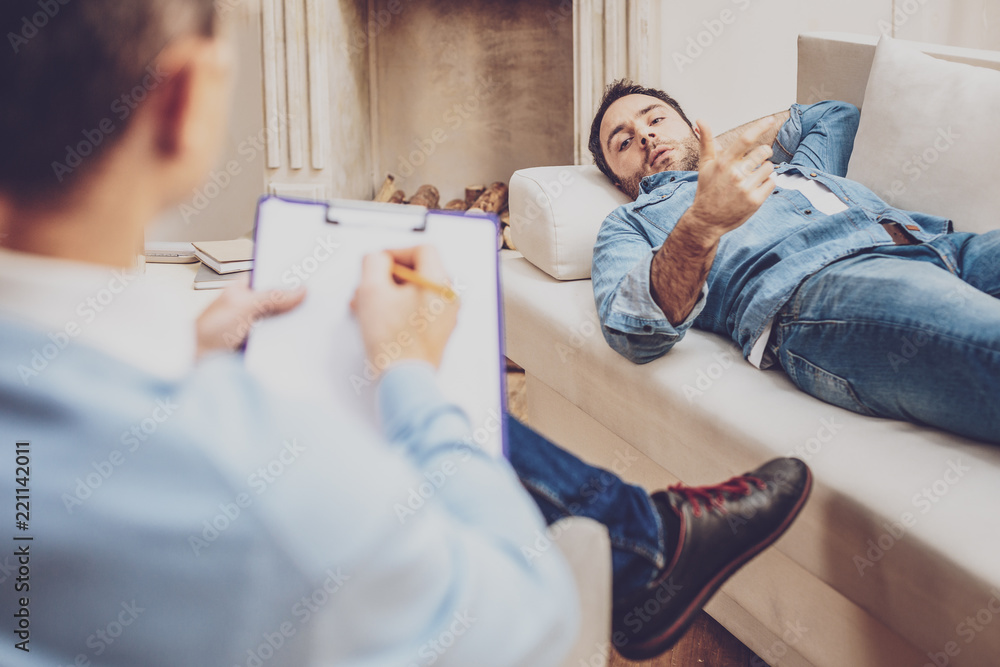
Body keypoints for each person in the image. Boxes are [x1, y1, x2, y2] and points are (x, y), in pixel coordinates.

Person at [0, 4, 810, 665]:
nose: (643, 140)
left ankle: (648, 548)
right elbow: (525, 623)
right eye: (621, 136)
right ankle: (647, 550)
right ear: (183, 101)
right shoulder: (260, 487)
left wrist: (186, 351)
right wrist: (409, 371)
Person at [589, 80, 1000, 444]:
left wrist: (718, 153)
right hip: (827, 290)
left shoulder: (788, 169)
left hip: (940, 245)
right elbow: (632, 330)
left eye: (655, 119)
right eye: (623, 142)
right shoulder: (628, 222)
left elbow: (835, 115)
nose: (645, 136)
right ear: (613, 179)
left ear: (693, 126)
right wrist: (701, 224)